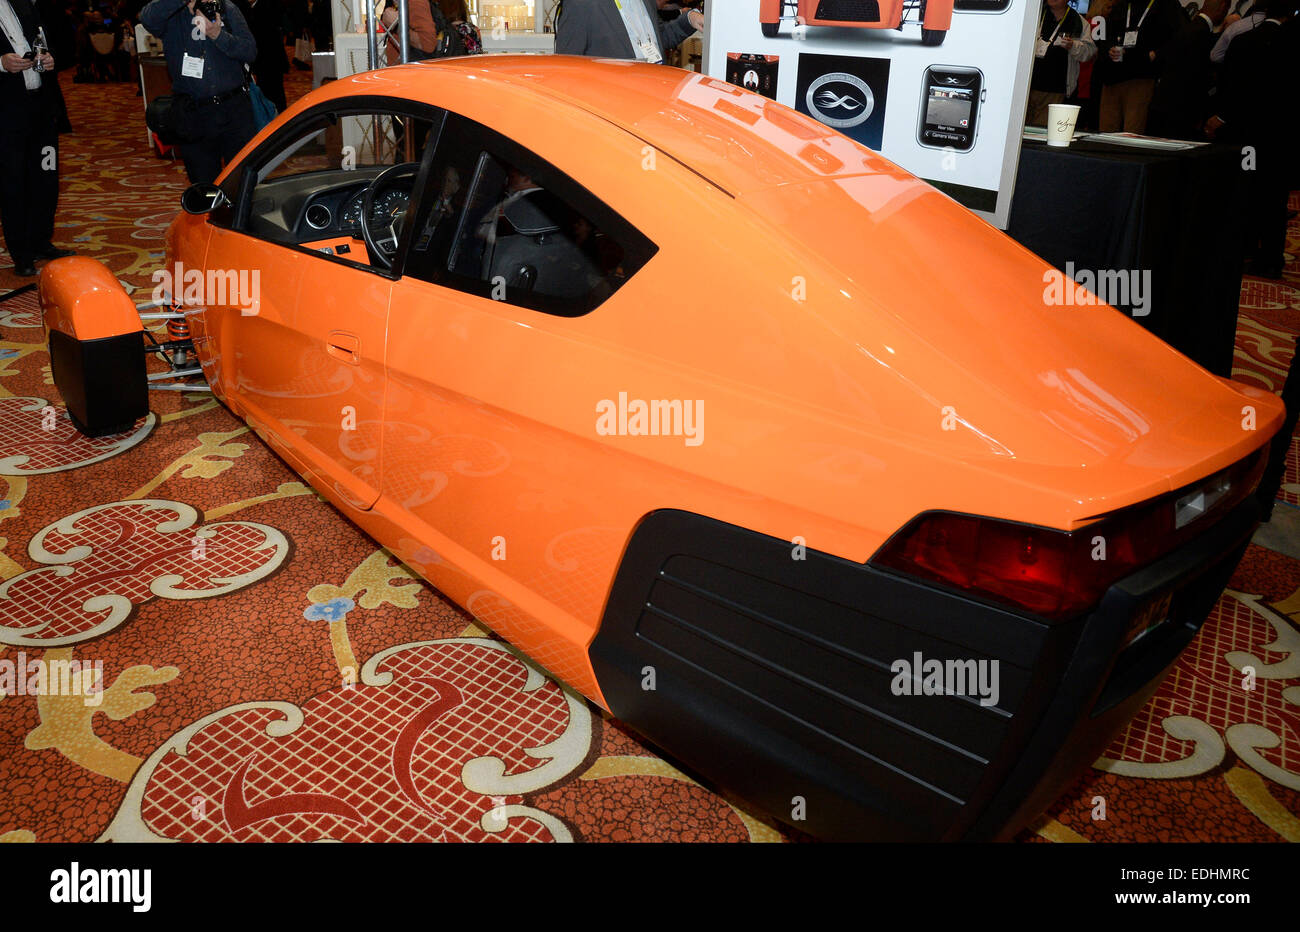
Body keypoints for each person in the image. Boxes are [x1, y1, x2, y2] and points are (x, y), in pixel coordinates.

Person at [1204, 0, 1296, 278]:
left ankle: (1241, 249)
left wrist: (1220, 118)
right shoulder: (1293, 45)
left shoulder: (1243, 40)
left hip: (1245, 134)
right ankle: (1270, 259)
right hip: (1281, 136)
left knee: (1244, 192)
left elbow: (1230, 87)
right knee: (1275, 199)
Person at [139, 0, 256, 183]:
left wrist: (217, 35)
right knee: (203, 184)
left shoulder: (225, 8)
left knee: (241, 180)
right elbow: (147, 18)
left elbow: (249, 51)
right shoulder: (171, 14)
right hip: (194, 112)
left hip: (235, 109)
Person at [0, 0, 72, 277]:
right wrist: (1, 63)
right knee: (14, 183)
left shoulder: (24, 5)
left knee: (46, 176)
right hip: (7, 115)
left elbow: (46, 41)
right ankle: (22, 253)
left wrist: (50, 57)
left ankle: (42, 241)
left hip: (41, 110)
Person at [1096, 0, 1184, 131]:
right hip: (1113, 76)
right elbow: (1106, 35)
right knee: (1106, 129)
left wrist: (1155, 54)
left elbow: (1178, 36)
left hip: (1141, 76)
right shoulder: (1121, 5)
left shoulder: (1166, 5)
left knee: (1133, 130)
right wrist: (1109, 48)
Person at [1145, 0, 1225, 137]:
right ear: (1223, 7)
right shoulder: (1202, 33)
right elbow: (1197, 77)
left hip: (1163, 105)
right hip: (1182, 111)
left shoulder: (1186, 28)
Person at [555, 0, 702, 62]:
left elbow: (658, 38)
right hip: (613, 113)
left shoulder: (645, 1)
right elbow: (567, 68)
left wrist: (689, 19)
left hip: (652, 100)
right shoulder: (580, 4)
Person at [1026, 0, 1096, 125]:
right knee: (1019, 129)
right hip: (1026, 86)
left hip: (1055, 89)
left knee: (1042, 132)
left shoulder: (1077, 21)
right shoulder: (1035, 14)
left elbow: (1089, 52)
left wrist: (1073, 45)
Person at [234, 0, 286, 111]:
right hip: (260, 59)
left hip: (271, 58)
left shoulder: (268, 5)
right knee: (265, 92)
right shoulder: (246, 7)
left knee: (274, 93)